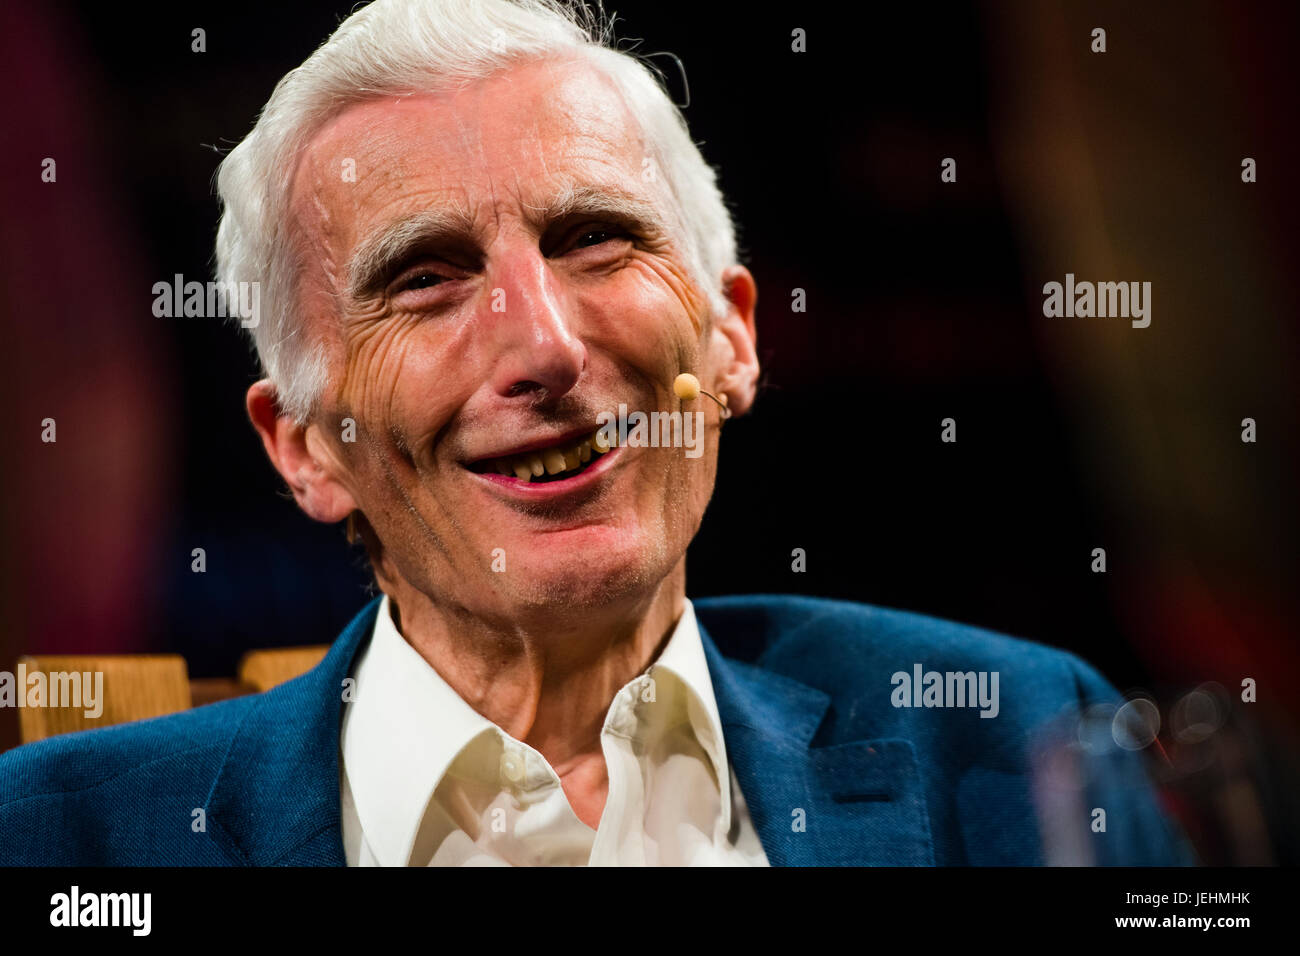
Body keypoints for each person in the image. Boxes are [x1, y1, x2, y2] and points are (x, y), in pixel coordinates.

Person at [0, 0, 1190, 866]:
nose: (547, 348)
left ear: (729, 336)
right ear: (306, 445)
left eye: (593, 239)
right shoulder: (65, 842)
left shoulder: (1015, 738)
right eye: (424, 276)